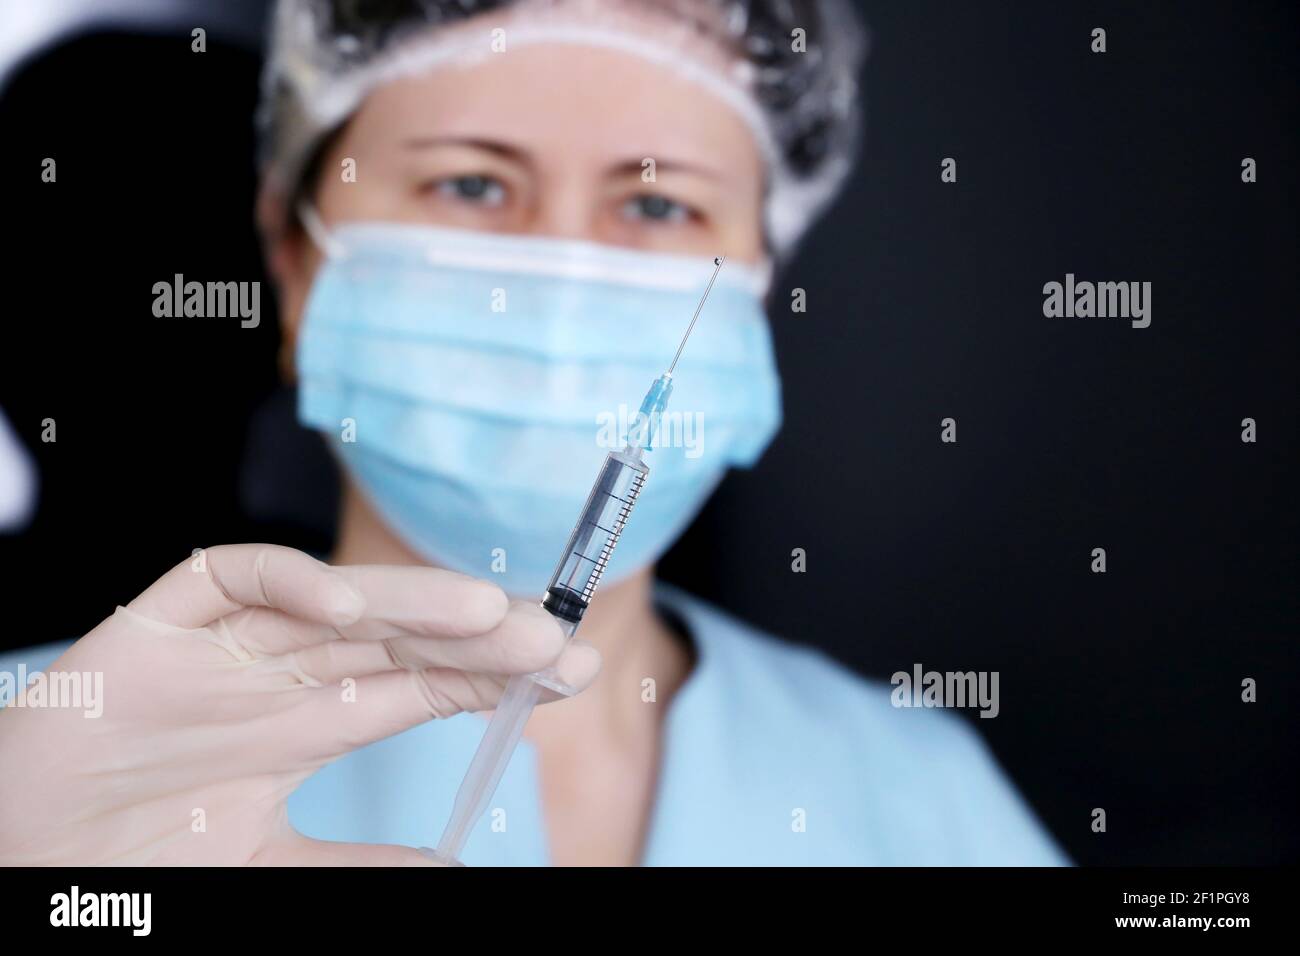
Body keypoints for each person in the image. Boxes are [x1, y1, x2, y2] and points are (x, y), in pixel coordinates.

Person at [0, 0, 1067, 866]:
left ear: (761, 279)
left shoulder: (914, 795)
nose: (561, 282)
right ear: (294, 259)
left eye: (658, 206)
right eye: (471, 184)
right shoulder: (44, 750)